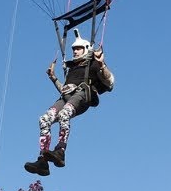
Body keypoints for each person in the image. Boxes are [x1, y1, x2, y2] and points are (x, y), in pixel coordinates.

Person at [24, 32, 114, 176]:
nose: (75, 51)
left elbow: (110, 82)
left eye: (78, 48)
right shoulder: (72, 68)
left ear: (85, 49)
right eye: (73, 49)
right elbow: (65, 90)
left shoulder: (94, 64)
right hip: (67, 96)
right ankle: (43, 161)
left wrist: (102, 64)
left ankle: (60, 151)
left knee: (65, 113)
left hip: (83, 95)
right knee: (44, 119)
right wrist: (53, 78)